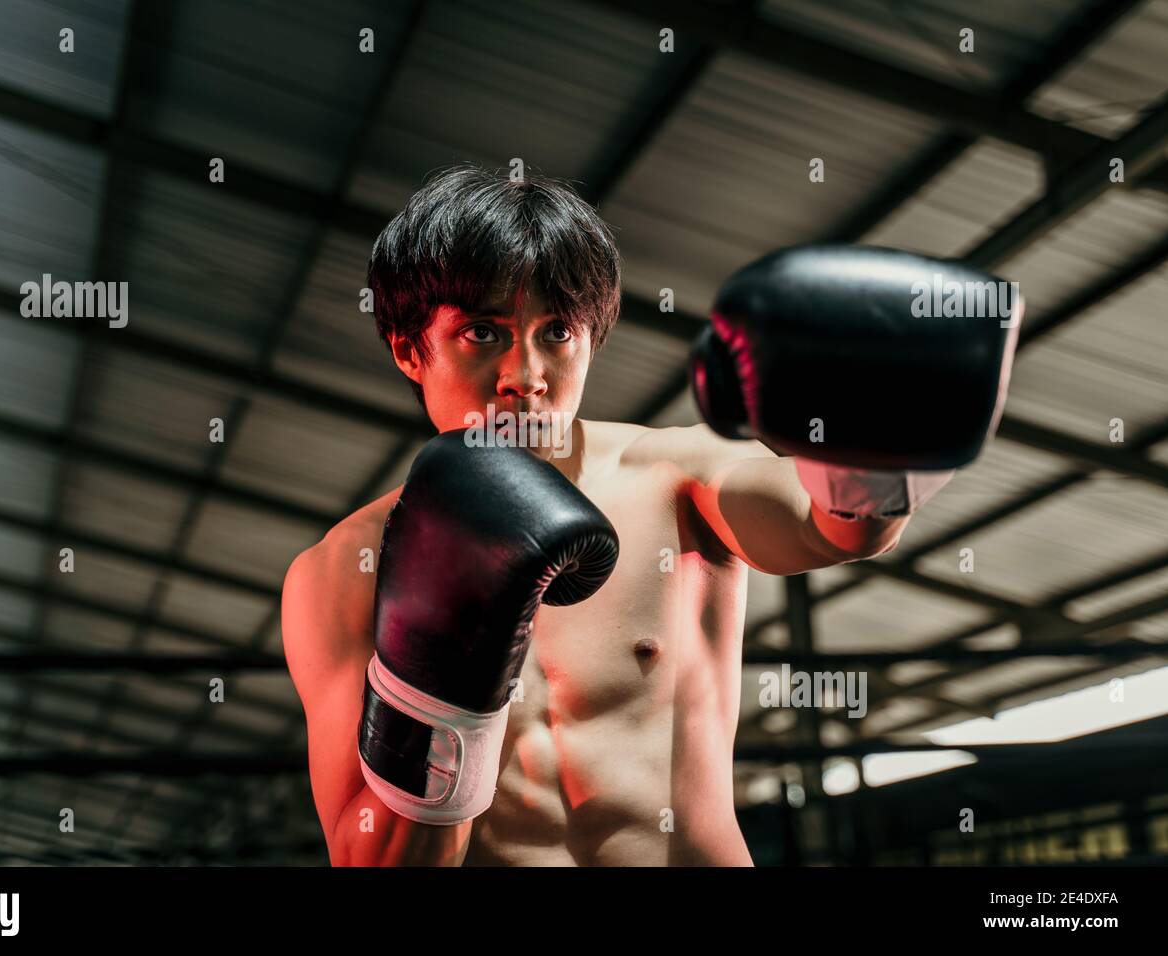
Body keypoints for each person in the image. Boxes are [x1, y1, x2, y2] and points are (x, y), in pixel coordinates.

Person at [280, 165, 1019, 866]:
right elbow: (368, 855)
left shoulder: (675, 475)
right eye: (483, 331)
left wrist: (891, 432)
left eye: (557, 332)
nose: (526, 376)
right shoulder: (343, 569)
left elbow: (838, 527)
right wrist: (439, 693)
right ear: (411, 350)